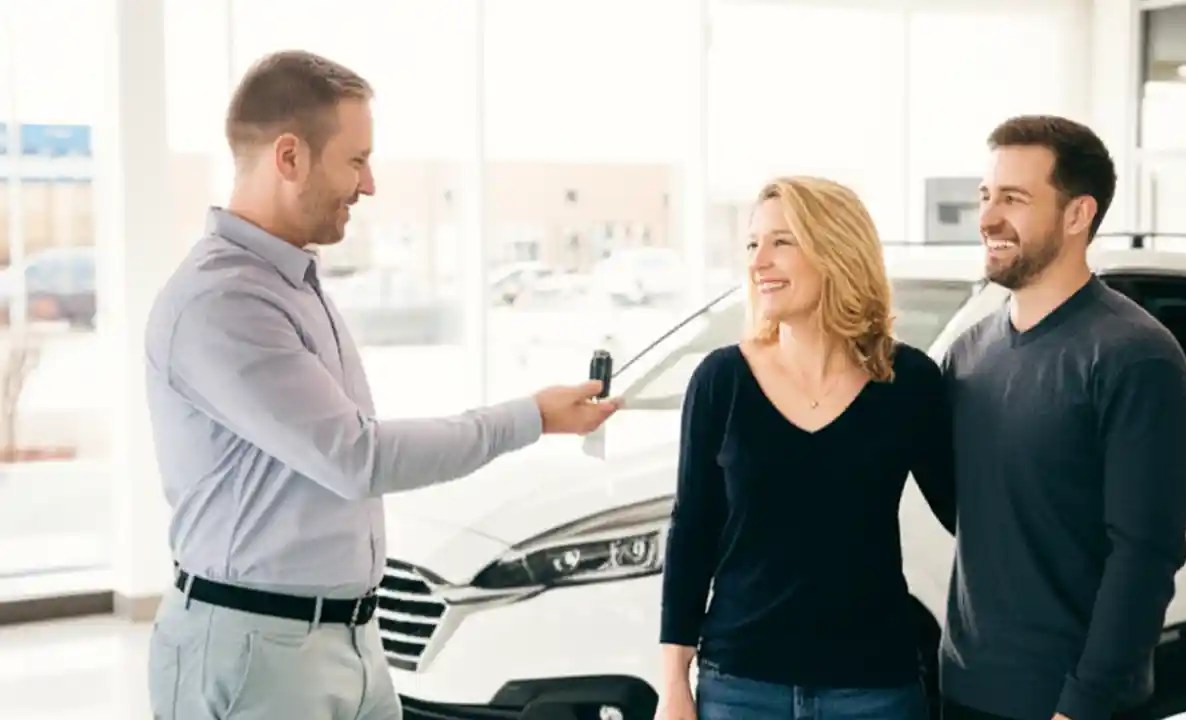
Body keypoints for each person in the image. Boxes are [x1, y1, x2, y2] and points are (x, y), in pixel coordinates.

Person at [143, 50, 619, 720]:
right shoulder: (223, 302)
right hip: (259, 650)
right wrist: (529, 417)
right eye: (356, 160)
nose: (368, 186)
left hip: (345, 641)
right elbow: (356, 457)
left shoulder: (291, 283)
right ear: (290, 157)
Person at [655, 176, 957, 720]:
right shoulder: (721, 379)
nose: (758, 261)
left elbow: (970, 516)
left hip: (874, 692)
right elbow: (691, 533)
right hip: (740, 687)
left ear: (836, 249)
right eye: (752, 244)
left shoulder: (908, 381)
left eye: (782, 241)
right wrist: (674, 683)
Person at [937, 115, 1186, 720]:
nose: (987, 218)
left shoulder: (1136, 355)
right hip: (966, 690)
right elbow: (967, 506)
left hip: (1070, 701)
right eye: (985, 196)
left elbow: (1145, 555)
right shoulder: (969, 352)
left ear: (1078, 215)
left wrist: (1084, 703)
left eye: (1014, 198)